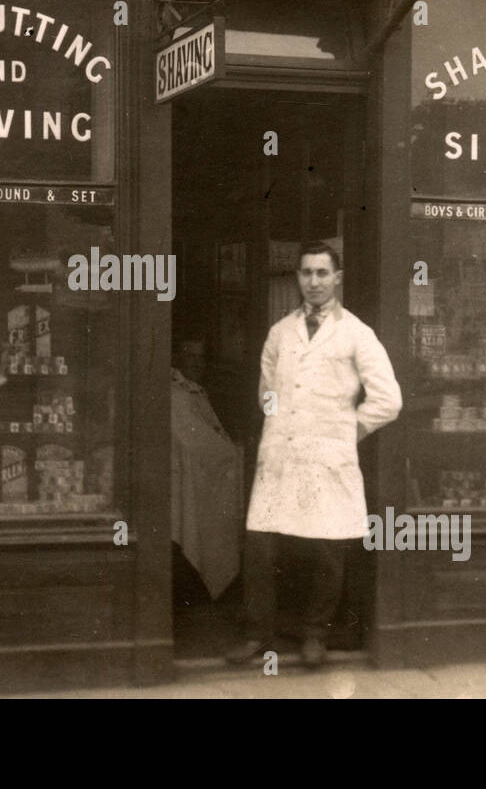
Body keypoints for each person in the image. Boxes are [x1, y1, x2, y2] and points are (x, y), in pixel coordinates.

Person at [226, 241, 402, 667]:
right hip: (282, 455)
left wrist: (344, 433)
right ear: (298, 278)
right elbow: (265, 393)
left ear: (337, 279)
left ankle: (314, 636)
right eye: (307, 273)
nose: (314, 281)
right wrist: (284, 423)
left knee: (327, 548)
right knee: (262, 547)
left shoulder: (357, 333)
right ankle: (258, 636)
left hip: (327, 456)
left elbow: (388, 400)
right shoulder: (279, 332)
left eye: (323, 273)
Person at [170, 340, 243, 600]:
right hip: (183, 478)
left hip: (205, 475)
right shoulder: (176, 394)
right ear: (178, 357)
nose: (197, 364)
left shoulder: (196, 391)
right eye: (191, 357)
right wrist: (230, 454)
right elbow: (190, 441)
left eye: (201, 359)